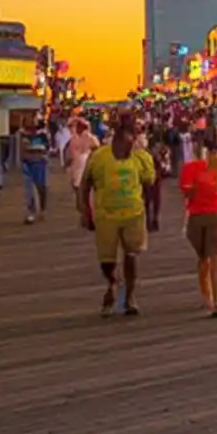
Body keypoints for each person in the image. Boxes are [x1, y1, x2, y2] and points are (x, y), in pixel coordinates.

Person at [81, 118, 156, 317]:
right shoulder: (99, 157)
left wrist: (153, 214)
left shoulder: (140, 157)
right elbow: (85, 185)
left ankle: (130, 297)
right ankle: (113, 282)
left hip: (134, 214)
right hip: (106, 216)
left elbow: (150, 186)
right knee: (107, 261)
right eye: (131, 139)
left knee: (132, 255)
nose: (134, 143)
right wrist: (84, 211)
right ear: (119, 139)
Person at [179, 130, 217, 318]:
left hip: (213, 214)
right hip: (203, 214)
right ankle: (209, 295)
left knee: (213, 255)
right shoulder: (197, 168)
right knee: (205, 256)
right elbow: (188, 193)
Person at [19, 118, 52, 224]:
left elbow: (46, 148)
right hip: (27, 163)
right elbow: (23, 148)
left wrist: (34, 148)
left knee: (41, 187)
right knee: (29, 190)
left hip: (40, 163)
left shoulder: (43, 135)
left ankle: (42, 209)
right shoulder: (22, 134)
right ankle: (30, 212)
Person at [67, 118, 100, 211]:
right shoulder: (73, 139)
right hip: (75, 166)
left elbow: (96, 149)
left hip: (85, 165)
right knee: (77, 189)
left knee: (84, 189)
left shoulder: (90, 138)